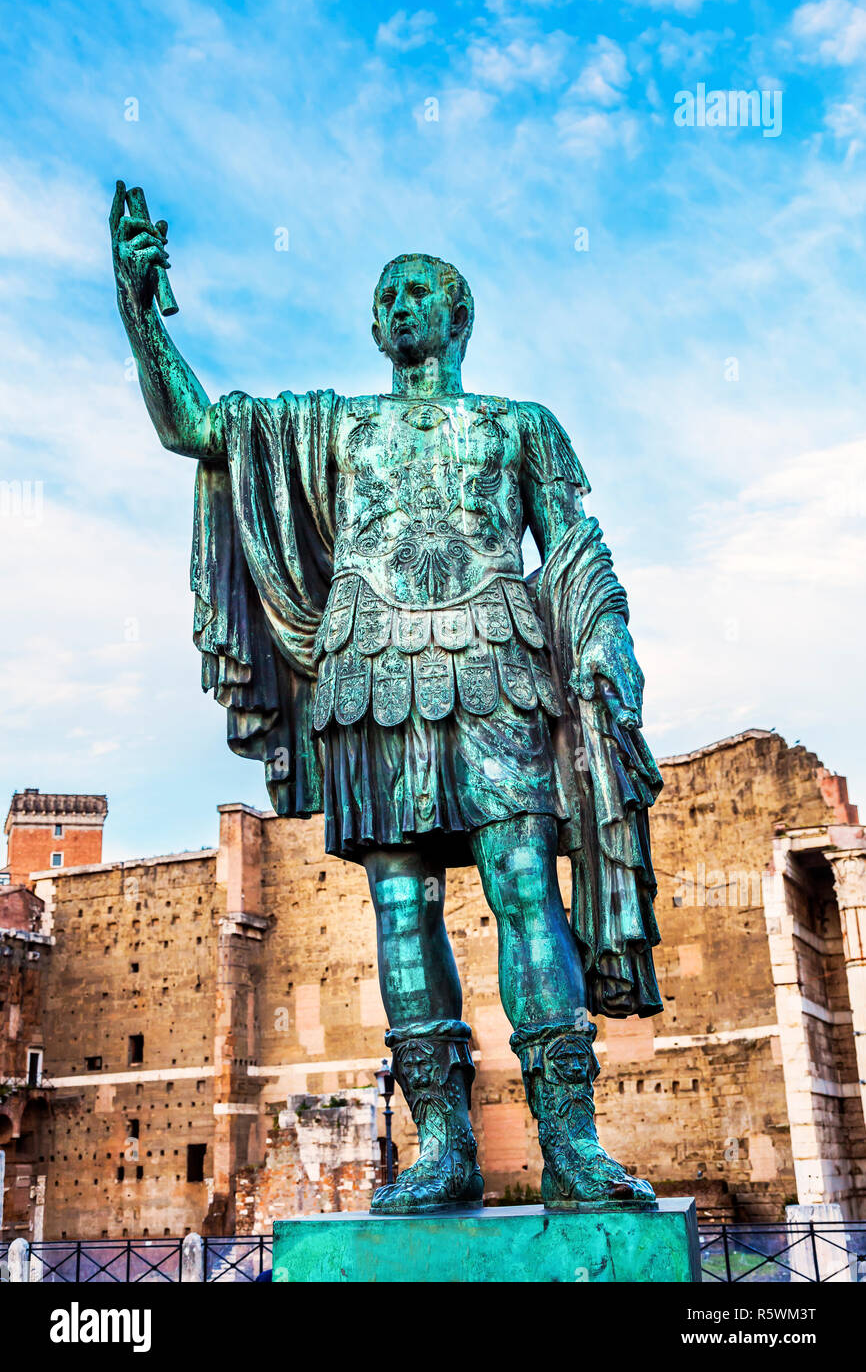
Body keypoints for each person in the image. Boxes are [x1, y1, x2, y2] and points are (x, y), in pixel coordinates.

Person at [112, 191, 663, 1215]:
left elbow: (578, 552)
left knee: (520, 885)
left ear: (458, 317)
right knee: (398, 907)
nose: (403, 304)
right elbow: (194, 428)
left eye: (421, 290)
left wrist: (607, 649)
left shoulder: (520, 425)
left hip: (497, 661)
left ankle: (571, 1144)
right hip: (368, 674)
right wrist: (139, 305)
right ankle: (444, 1147)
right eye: (387, 295)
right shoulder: (333, 429)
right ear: (374, 327)